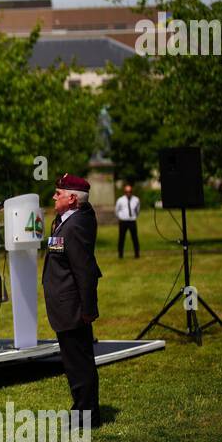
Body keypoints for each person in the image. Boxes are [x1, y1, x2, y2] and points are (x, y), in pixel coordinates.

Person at [42, 173, 103, 427]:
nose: (54, 196)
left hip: (73, 306)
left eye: (59, 193)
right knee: (73, 361)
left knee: (79, 363)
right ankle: (81, 408)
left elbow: (84, 270)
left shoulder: (76, 225)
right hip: (64, 305)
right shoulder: (65, 220)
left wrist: (88, 310)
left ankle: (86, 415)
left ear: (72, 198)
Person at [115, 183, 140, 258]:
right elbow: (117, 210)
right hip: (123, 221)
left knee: (134, 238)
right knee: (121, 238)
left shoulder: (136, 199)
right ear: (124, 192)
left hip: (132, 221)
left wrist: (134, 216)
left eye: (130, 191)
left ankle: (137, 254)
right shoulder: (120, 200)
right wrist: (121, 217)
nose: (128, 193)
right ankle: (120, 254)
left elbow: (137, 210)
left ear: (132, 192)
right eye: (127, 192)